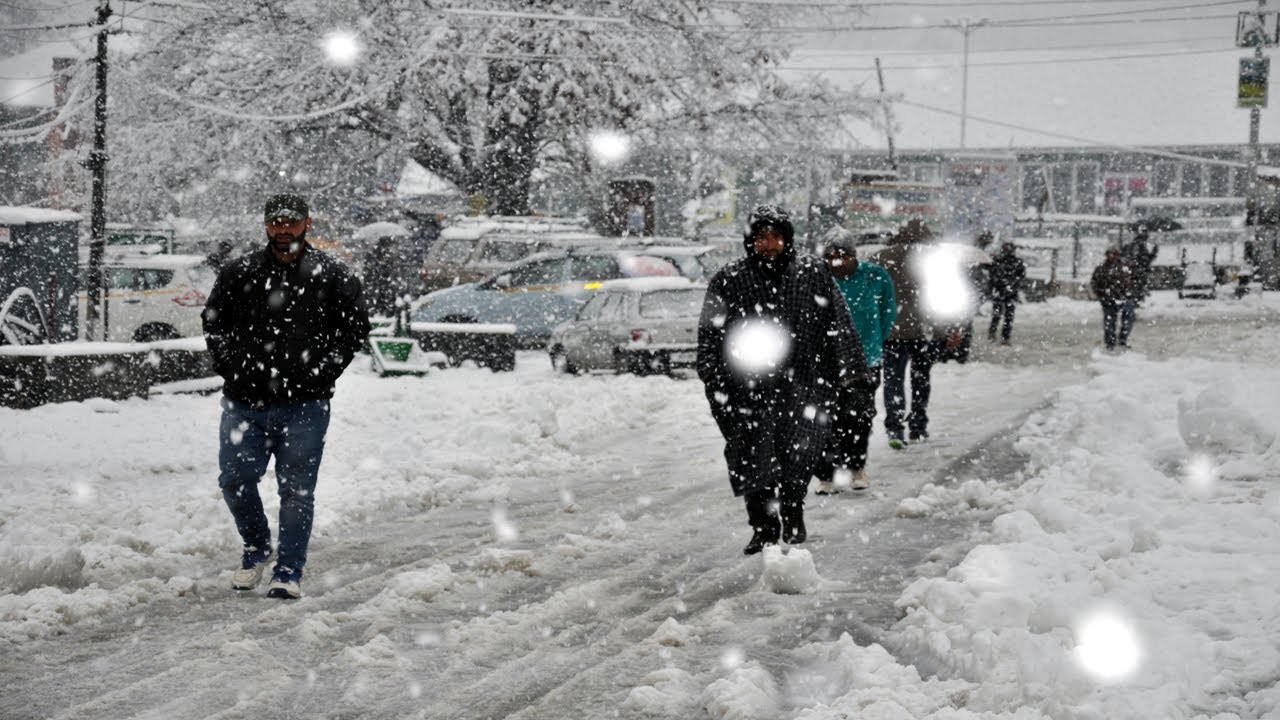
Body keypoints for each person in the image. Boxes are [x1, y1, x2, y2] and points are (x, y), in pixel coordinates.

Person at [202, 193, 371, 599]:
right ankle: (257, 546)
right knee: (235, 480)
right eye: (275, 221)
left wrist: (321, 371)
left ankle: (289, 570)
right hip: (245, 402)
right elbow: (214, 322)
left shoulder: (331, 275)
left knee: (297, 492)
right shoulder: (239, 272)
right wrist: (231, 366)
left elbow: (354, 329)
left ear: (306, 224)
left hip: (305, 406)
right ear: (265, 225)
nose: (283, 228)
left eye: (290, 221)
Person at [697, 205, 868, 555]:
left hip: (804, 379)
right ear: (751, 241)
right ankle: (762, 526)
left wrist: (851, 375)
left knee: (799, 452)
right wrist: (714, 376)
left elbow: (839, 323)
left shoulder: (811, 273)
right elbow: (709, 334)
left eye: (776, 237)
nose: (769, 244)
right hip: (745, 385)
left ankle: (792, 512)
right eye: (762, 238)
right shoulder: (730, 278)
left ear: (787, 239)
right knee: (750, 454)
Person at [819, 237, 896, 494]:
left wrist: (874, 342)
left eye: (842, 256)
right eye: (830, 256)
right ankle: (828, 473)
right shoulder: (819, 279)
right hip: (827, 361)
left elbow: (887, 312)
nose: (836, 262)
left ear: (853, 256)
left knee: (859, 417)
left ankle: (856, 466)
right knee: (826, 418)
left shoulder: (875, 276)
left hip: (865, 361)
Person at [868, 218, 937, 449]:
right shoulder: (931, 259)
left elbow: (869, 296)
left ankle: (895, 428)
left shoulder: (881, 258)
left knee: (893, 381)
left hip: (891, 331)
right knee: (921, 379)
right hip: (923, 331)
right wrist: (943, 329)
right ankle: (918, 426)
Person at [1090, 247, 1136, 351]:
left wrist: (1131, 293)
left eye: (1115, 254)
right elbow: (1095, 283)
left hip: (1125, 297)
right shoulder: (1102, 268)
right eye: (1110, 254)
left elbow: (1135, 280)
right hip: (1109, 299)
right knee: (1109, 322)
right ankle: (1110, 342)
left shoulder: (1126, 267)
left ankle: (1122, 340)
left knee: (1128, 319)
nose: (1113, 257)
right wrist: (1102, 296)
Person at [987, 241, 1026, 344]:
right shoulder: (999, 261)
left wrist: (1012, 285)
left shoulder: (1014, 262)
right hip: (1002, 291)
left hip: (1007, 292)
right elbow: (992, 275)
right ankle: (997, 334)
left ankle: (1002, 336)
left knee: (1005, 316)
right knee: (1000, 315)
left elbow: (1021, 276)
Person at [1122, 229, 1159, 303]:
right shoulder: (1137, 244)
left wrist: (1153, 252)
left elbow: (1146, 258)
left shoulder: (1139, 244)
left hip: (1140, 269)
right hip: (1138, 269)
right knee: (1138, 285)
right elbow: (1139, 258)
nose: (1147, 237)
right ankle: (1136, 300)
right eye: (1146, 235)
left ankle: (1138, 299)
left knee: (1139, 285)